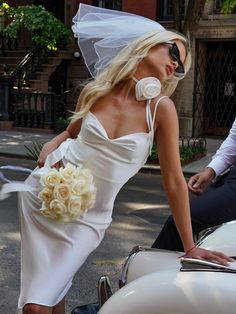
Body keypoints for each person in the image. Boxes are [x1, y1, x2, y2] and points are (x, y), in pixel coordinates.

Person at [0, 4, 232, 314]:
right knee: (46, 297)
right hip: (45, 197)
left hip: (90, 219)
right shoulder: (97, 92)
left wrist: (189, 246)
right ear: (149, 43)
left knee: (38, 303)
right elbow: (71, 131)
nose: (174, 66)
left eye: (180, 67)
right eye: (173, 53)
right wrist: (53, 143)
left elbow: (175, 181)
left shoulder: (160, 109)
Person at [152, 118, 236, 251]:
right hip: (231, 177)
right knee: (185, 222)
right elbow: (234, 140)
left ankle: (152, 267)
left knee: (182, 223)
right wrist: (211, 170)